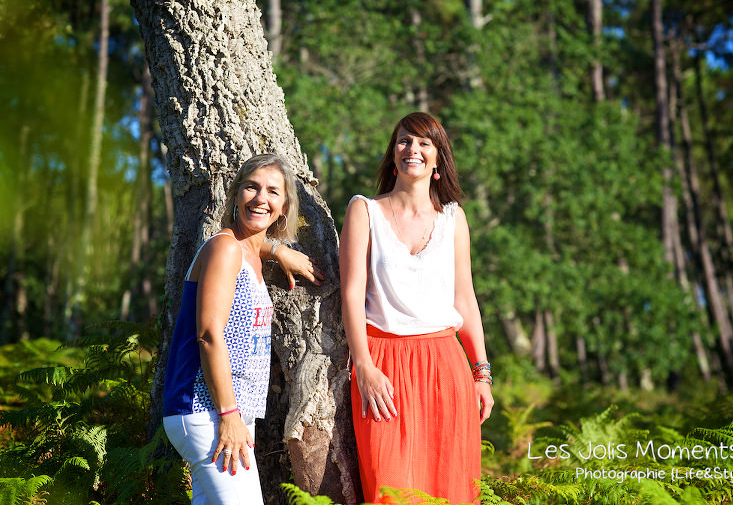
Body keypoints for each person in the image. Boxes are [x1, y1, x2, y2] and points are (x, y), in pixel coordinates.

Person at [339, 112, 494, 503]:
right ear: (393, 153)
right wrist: (364, 366)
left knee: (449, 490)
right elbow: (352, 294)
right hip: (383, 367)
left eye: (425, 143)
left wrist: (482, 372)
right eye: (405, 140)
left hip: (446, 365)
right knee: (391, 490)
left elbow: (465, 299)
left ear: (438, 158)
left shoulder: (453, 219)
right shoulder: (364, 211)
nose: (413, 149)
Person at [162, 153, 324, 505]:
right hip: (206, 408)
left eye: (272, 192)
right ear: (236, 194)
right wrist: (228, 415)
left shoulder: (244, 251)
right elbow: (208, 335)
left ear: (284, 207)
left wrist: (276, 249)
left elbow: (251, 244)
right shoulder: (224, 248)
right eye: (251, 187)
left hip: (227, 410)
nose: (261, 198)